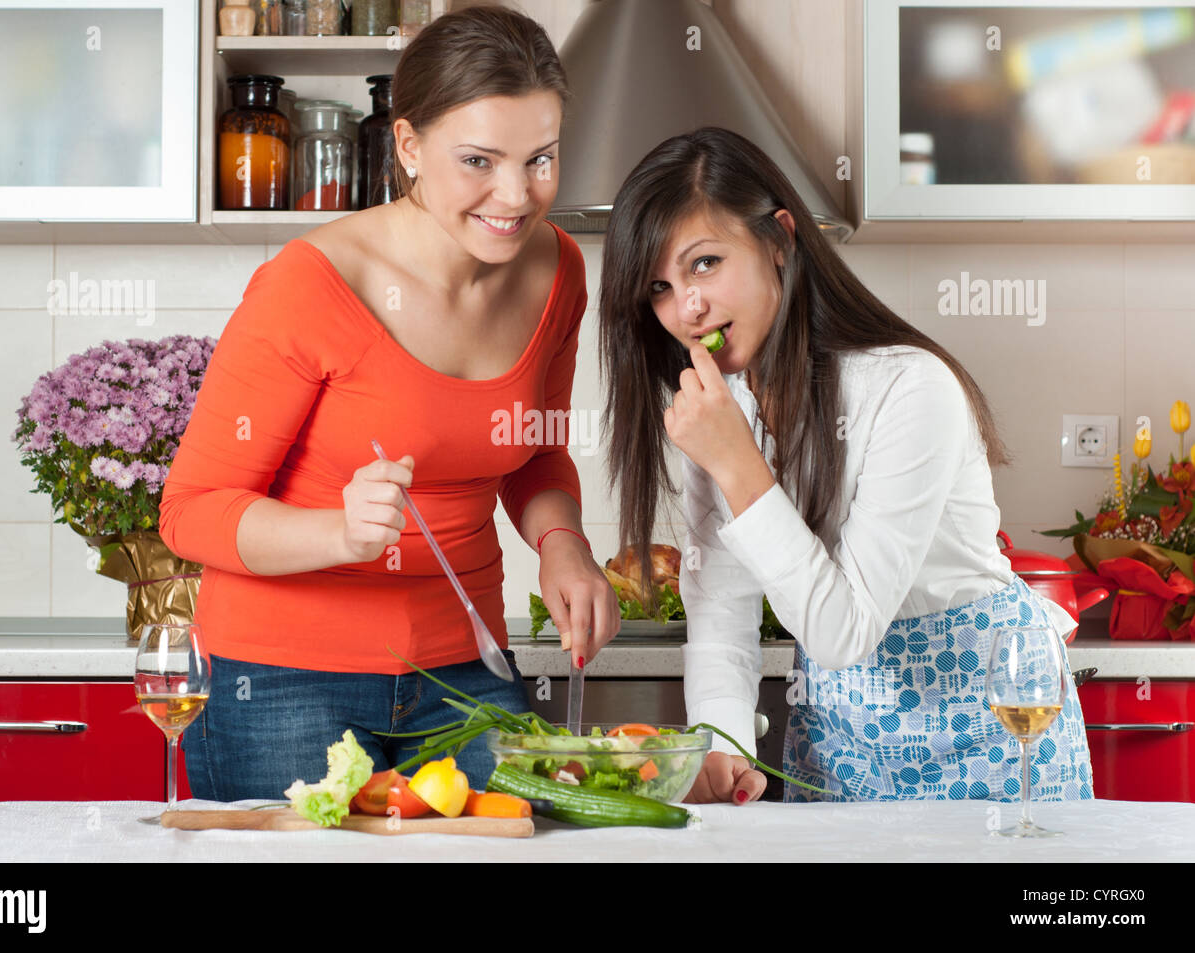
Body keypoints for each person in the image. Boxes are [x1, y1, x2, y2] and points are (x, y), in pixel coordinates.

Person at [160, 6, 619, 799]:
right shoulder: (310, 286)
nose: (515, 195)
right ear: (408, 146)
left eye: (540, 159)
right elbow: (190, 511)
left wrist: (561, 542)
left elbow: (534, 444)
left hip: (462, 671)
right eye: (479, 160)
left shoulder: (557, 270)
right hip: (277, 682)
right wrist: (337, 531)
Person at [597, 126, 1094, 804]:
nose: (687, 308)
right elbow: (723, 613)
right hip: (844, 744)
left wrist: (739, 464)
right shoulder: (727, 412)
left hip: (992, 731)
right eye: (659, 285)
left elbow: (846, 629)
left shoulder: (910, 387)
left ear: (778, 240)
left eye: (705, 263)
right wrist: (724, 747)